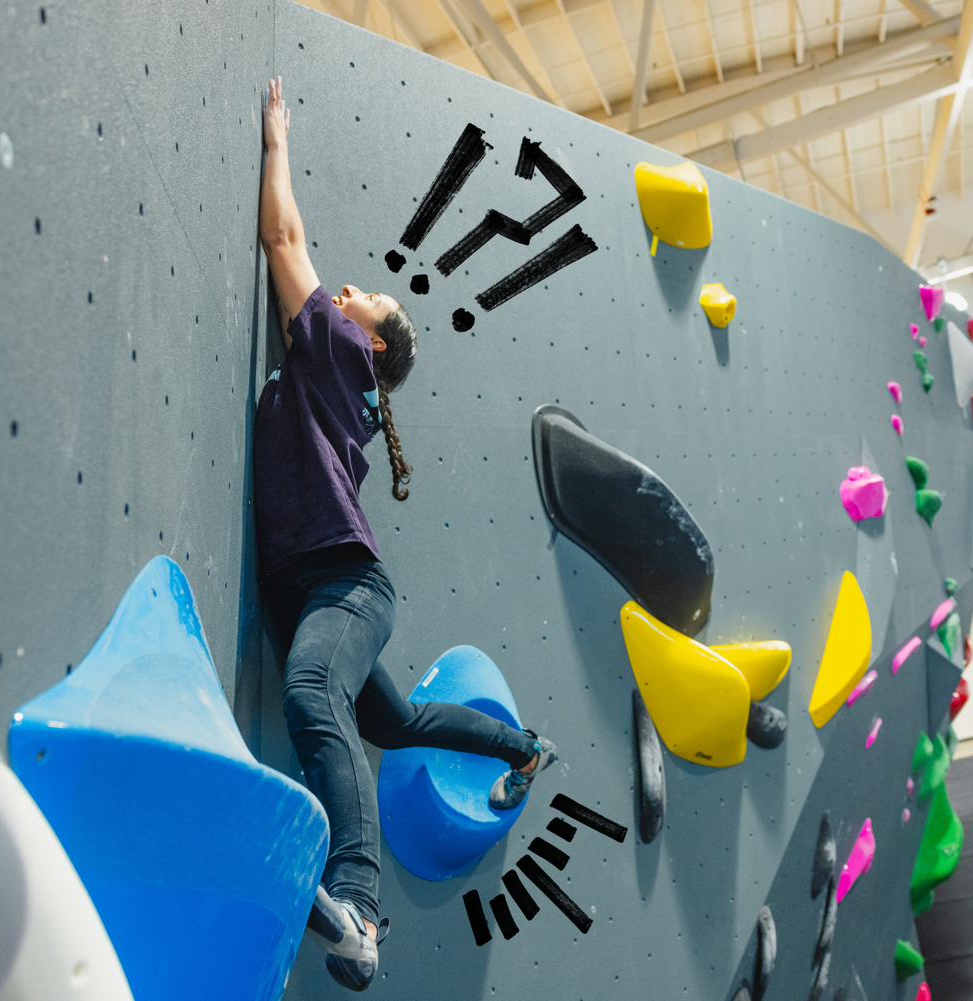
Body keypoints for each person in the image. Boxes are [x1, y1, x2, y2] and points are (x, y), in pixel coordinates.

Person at [255, 77, 558, 992]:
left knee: (315, 691)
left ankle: (356, 902)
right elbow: (294, 275)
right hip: (321, 583)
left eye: (365, 297)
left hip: (344, 584)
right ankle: (526, 747)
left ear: (371, 342)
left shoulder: (341, 350)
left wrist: (278, 140)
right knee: (394, 719)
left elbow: (283, 241)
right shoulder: (330, 361)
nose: (345, 289)